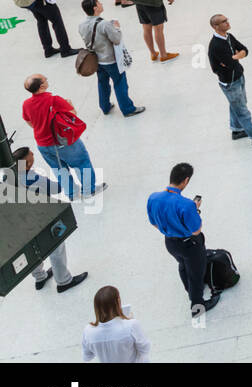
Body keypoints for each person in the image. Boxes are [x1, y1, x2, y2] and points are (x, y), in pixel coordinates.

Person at [11, 147, 88, 294]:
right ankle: (64, 281)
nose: (34, 155)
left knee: (31, 250)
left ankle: (40, 277)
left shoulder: (9, 178)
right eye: (31, 155)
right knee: (56, 248)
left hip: (22, 222)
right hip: (42, 219)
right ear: (27, 163)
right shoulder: (34, 178)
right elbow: (57, 188)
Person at [146, 162, 217, 315]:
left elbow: (153, 223)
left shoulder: (153, 198)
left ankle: (189, 288)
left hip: (170, 243)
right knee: (196, 273)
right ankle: (197, 306)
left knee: (183, 264)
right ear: (185, 181)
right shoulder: (186, 205)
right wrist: (195, 209)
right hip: (189, 244)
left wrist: (171, 228)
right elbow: (196, 230)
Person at [22, 73, 100, 197]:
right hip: (62, 142)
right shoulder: (54, 100)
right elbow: (72, 115)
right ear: (42, 86)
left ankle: (72, 193)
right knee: (81, 163)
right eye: (45, 79)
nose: (47, 79)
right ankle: (88, 190)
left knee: (59, 169)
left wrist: (41, 128)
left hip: (43, 145)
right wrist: (70, 104)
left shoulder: (26, 104)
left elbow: (28, 121)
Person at [207, 13, 252, 149]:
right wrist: (236, 56)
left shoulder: (229, 37)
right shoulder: (216, 45)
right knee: (242, 110)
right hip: (230, 83)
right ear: (215, 26)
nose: (227, 22)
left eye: (227, 20)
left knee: (237, 105)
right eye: (224, 21)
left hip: (239, 76)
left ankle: (236, 130)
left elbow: (245, 50)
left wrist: (236, 56)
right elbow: (229, 63)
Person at [78, 0, 144, 117]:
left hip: (96, 60)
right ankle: (128, 109)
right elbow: (117, 39)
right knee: (120, 83)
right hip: (110, 60)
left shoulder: (81, 24)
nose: (101, 4)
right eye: (99, 3)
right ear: (95, 8)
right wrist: (117, 28)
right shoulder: (104, 24)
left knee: (102, 83)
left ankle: (105, 106)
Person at [82, 286, 150, 362]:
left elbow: (87, 357)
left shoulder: (88, 331)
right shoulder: (131, 325)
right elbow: (145, 348)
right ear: (118, 301)